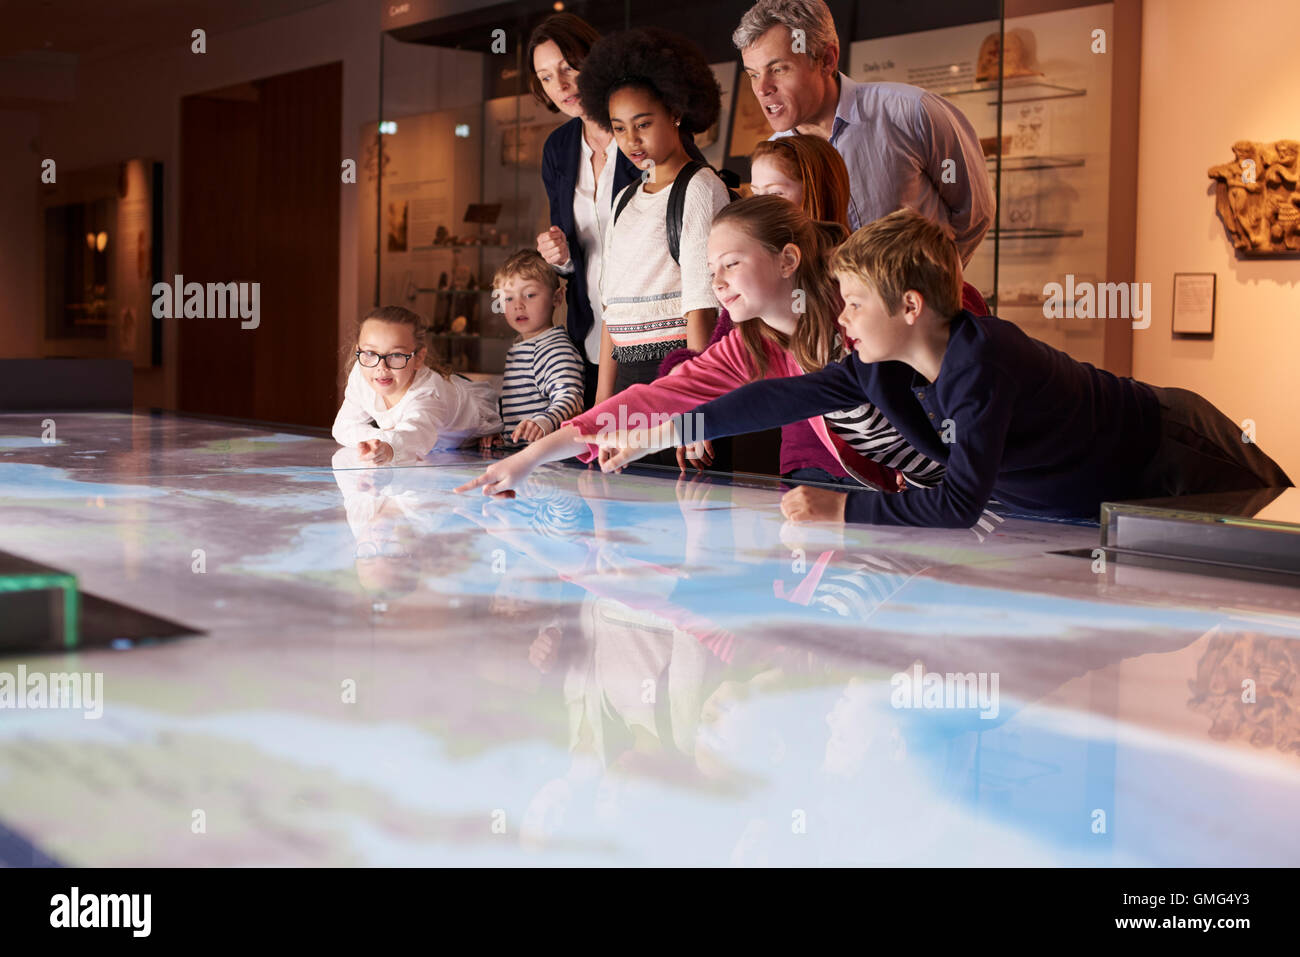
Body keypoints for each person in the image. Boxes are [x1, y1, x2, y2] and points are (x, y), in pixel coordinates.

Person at [582, 209, 1293, 527]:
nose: (844, 319)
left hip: (1180, 452)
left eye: (855, 302)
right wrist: (653, 434)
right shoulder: (872, 366)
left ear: (911, 305)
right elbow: (769, 402)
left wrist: (842, 509)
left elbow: (958, 503)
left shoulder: (985, 365)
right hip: (1097, 501)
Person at [453, 196, 947, 502]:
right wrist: (531, 458)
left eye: (731, 264)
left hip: (984, 490)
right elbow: (653, 401)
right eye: (711, 272)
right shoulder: (753, 348)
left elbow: (955, 335)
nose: (718, 284)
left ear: (787, 259)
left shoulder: (861, 312)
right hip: (926, 503)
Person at [530, 13, 709, 407]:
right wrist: (559, 259)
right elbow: (577, 247)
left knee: (658, 452)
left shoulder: (653, 133)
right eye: (545, 77)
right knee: (610, 447)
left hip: (665, 334)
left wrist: (696, 383)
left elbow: (694, 238)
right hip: (594, 325)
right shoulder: (558, 148)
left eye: (567, 67)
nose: (559, 85)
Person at [734, 0, 995, 265]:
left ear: (827, 59)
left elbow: (974, 214)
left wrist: (934, 287)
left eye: (778, 69)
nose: (762, 89)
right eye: (753, 75)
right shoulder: (773, 156)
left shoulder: (911, 111)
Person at [575, 27, 731, 416]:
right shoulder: (625, 199)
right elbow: (612, 309)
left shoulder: (699, 186)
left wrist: (694, 402)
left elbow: (701, 303)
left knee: (676, 478)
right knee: (626, 478)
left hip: (677, 369)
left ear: (675, 113)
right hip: (625, 374)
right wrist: (601, 402)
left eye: (643, 124)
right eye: (619, 128)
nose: (631, 140)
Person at [332, 306, 500, 465]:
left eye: (396, 355)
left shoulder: (428, 394)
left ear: (419, 358)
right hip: (435, 436)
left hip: (473, 412)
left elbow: (414, 435)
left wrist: (389, 445)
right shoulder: (363, 372)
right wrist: (380, 439)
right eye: (370, 353)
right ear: (359, 350)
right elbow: (342, 428)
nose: (381, 367)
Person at [486, 250, 585, 449]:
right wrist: (504, 437)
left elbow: (571, 398)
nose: (518, 306)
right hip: (526, 459)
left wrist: (544, 421)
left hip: (549, 463)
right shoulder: (522, 348)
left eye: (530, 295)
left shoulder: (553, 348)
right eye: (508, 298)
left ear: (557, 298)